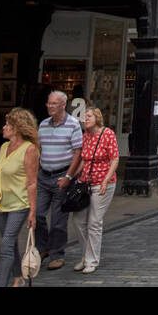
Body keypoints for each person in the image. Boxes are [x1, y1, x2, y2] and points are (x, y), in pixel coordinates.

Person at [0, 108, 38, 286]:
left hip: (20, 204)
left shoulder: (30, 149)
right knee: (9, 243)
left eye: (7, 125)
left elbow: (32, 182)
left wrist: (32, 211)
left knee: (5, 246)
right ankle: (18, 277)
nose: (3, 128)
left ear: (17, 128)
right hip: (2, 204)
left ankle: (2, 283)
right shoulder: (4, 147)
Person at [35, 90, 83, 271]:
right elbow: (38, 149)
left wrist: (69, 177)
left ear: (63, 105)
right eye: (49, 103)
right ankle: (42, 247)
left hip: (62, 176)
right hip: (44, 176)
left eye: (54, 103)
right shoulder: (43, 124)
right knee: (37, 214)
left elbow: (78, 153)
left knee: (58, 219)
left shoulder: (73, 124)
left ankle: (57, 253)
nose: (50, 106)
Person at [69, 105, 117, 274]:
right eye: (84, 117)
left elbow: (114, 160)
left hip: (103, 184)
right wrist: (71, 177)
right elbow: (83, 160)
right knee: (79, 220)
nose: (85, 119)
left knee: (94, 222)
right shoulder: (86, 136)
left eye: (88, 116)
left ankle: (92, 260)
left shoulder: (108, 134)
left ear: (97, 117)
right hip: (85, 184)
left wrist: (105, 181)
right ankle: (85, 255)